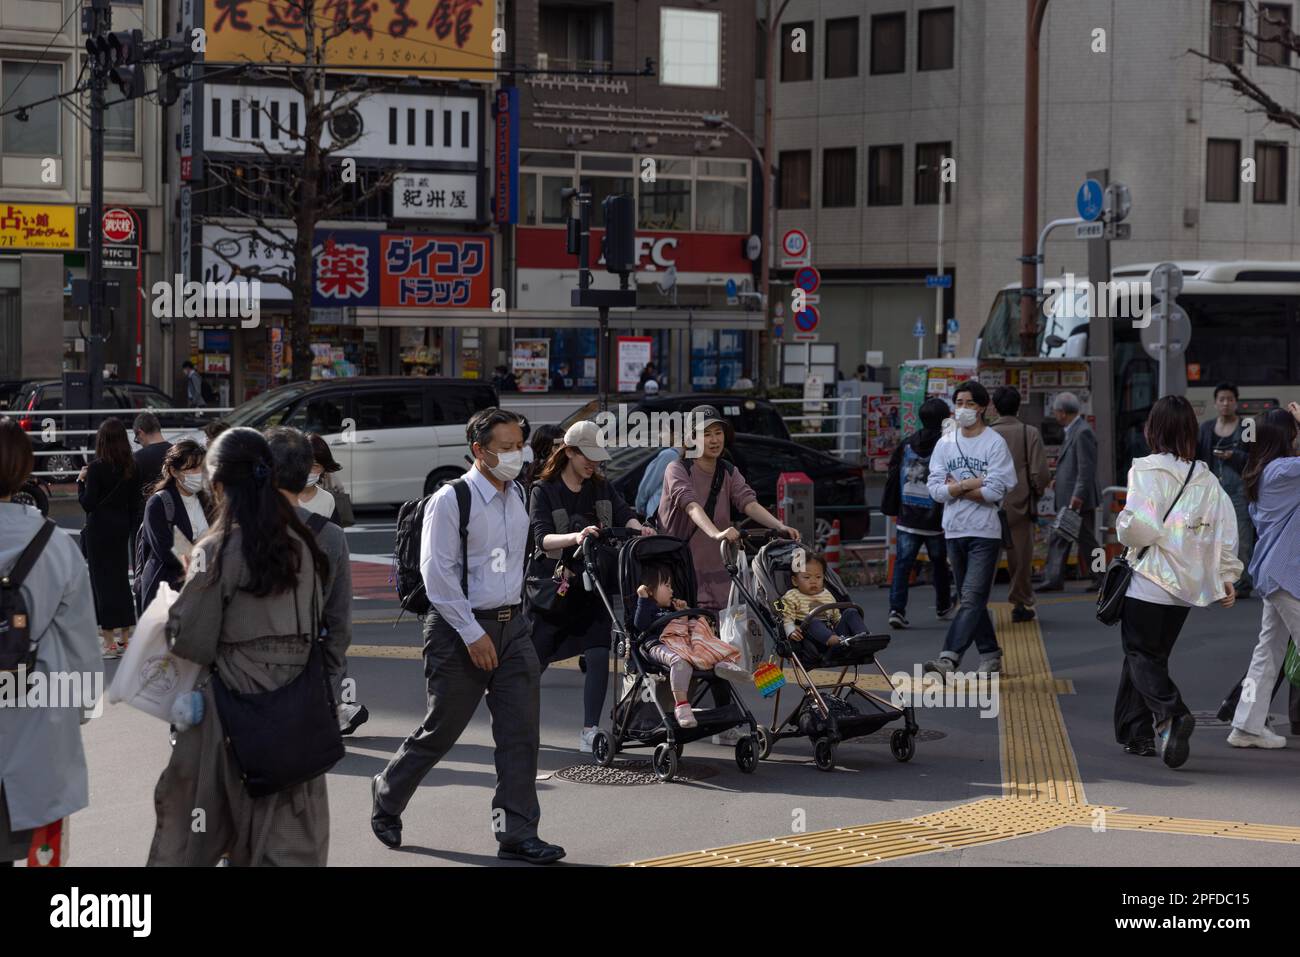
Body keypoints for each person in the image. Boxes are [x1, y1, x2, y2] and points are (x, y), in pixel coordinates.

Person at [371, 408, 565, 864]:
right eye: (506, 447)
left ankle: (515, 831)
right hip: (458, 627)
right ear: (479, 451)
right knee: (443, 729)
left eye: (521, 445)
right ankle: (388, 792)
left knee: (520, 734)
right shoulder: (451, 499)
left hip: (512, 627)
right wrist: (473, 632)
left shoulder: (518, 492)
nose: (518, 455)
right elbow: (436, 574)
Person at [148, 427, 335, 866]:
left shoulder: (216, 547)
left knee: (196, 827)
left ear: (219, 485)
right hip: (297, 709)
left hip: (232, 711)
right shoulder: (303, 545)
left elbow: (191, 637)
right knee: (285, 835)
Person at [1111, 395, 1241, 768]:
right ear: (1188, 431)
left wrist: (1122, 525)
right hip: (1185, 590)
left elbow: (1141, 527)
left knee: (1140, 655)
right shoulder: (1206, 478)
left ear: (1153, 429)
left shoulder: (1146, 470)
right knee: (1150, 657)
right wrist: (1226, 575)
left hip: (1150, 580)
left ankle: (1173, 713)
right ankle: (1136, 734)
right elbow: (1225, 533)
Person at [657, 405, 799, 742]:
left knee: (726, 643)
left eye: (718, 432)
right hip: (681, 572)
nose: (714, 439)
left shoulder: (727, 470)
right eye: (706, 433)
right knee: (693, 646)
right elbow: (690, 505)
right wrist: (717, 533)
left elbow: (747, 502)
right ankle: (678, 709)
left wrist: (779, 526)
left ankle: (726, 720)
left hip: (720, 570)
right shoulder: (677, 469)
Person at [0, 418, 102, 867]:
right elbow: (82, 643)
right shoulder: (55, 545)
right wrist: (80, 708)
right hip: (38, 721)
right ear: (24, 470)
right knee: (40, 854)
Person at [528, 420, 652, 751]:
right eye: (587, 456)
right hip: (554, 588)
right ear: (569, 451)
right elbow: (542, 537)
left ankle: (590, 730)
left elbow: (625, 514)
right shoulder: (544, 489)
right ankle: (516, 722)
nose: (593, 463)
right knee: (534, 661)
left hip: (592, 584)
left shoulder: (601, 486)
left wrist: (640, 529)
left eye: (597, 458)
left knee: (598, 654)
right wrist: (576, 536)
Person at [265, 427, 367, 737]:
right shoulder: (330, 536)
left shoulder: (228, 531)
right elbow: (340, 619)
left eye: (318, 467)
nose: (314, 472)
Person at [923, 381, 1017, 676]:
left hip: (985, 531)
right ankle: (990, 654)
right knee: (969, 599)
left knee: (973, 597)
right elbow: (935, 489)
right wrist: (971, 483)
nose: (963, 409)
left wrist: (955, 487)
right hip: (954, 529)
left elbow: (995, 491)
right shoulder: (946, 442)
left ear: (982, 407)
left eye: (969, 404)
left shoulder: (994, 443)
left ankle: (948, 658)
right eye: (959, 403)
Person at [1224, 404, 1300, 748]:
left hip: (1275, 576)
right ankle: (1245, 727)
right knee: (1268, 652)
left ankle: (1246, 727)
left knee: (1268, 652)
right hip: (1285, 576)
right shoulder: (1283, 471)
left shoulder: (1263, 469)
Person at [634, 563, 747, 728]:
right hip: (660, 644)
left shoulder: (671, 610)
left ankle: (723, 663)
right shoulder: (649, 609)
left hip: (684, 643)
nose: (672, 590)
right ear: (650, 590)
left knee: (710, 648)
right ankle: (681, 706)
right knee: (680, 662)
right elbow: (640, 624)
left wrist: (685, 612)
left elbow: (685, 630)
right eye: (667, 585)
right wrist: (643, 599)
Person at [883, 397, 955, 629]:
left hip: (907, 516)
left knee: (903, 564)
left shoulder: (907, 444)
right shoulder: (948, 445)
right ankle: (943, 605)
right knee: (939, 564)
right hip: (936, 518)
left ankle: (896, 609)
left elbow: (893, 472)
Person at [78, 417, 142, 657]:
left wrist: (80, 482)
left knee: (101, 584)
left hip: (99, 531)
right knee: (119, 583)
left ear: (102, 441)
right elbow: (134, 503)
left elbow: (88, 503)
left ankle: (109, 643)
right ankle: (125, 639)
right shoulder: (132, 467)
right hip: (121, 529)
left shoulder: (96, 468)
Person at [991, 386, 1052, 622]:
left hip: (989, 504)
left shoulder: (986, 433)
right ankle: (1019, 603)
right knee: (1021, 559)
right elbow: (1041, 474)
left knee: (986, 559)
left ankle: (975, 604)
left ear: (994, 407)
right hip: (1021, 504)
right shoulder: (1030, 432)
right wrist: (1035, 489)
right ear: (1018, 406)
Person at [1037, 392, 1103, 592]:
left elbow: (1086, 469)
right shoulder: (1075, 430)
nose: (1055, 415)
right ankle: (1056, 578)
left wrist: (1077, 497)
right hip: (1073, 497)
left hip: (1077, 500)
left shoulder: (1082, 432)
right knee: (1069, 538)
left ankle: (1100, 577)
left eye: (1056, 412)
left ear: (1063, 412)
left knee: (1085, 540)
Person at [135, 439, 212, 611]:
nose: (198, 473)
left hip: (200, 592)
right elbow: (167, 549)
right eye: (192, 468)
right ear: (174, 471)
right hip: (167, 592)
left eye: (201, 467)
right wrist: (203, 550)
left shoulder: (207, 501)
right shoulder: (159, 503)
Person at [1197, 383, 1254, 599]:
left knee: (1242, 535)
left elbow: (1254, 458)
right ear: (1215, 402)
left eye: (1230, 399)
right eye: (1221, 399)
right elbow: (1199, 457)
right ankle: (1217, 580)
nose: (1225, 403)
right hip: (1212, 490)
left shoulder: (1247, 426)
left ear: (1236, 402)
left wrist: (1234, 456)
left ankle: (1242, 583)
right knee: (1212, 535)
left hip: (1239, 488)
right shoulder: (1206, 428)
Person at [779, 553, 869, 659]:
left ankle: (863, 637)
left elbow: (836, 618)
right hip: (812, 641)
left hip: (834, 634)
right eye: (807, 577)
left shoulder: (827, 594)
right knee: (813, 621)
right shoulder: (792, 595)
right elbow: (787, 618)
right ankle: (839, 641)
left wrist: (841, 625)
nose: (813, 581)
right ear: (795, 580)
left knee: (851, 612)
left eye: (818, 577)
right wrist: (791, 631)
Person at [635, 420, 681, 520]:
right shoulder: (689, 456)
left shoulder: (669, 455)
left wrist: (639, 508)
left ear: (675, 434)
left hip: (658, 515)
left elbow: (647, 486)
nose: (660, 435)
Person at [299, 433, 341, 525]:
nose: (308, 470)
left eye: (315, 465)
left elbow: (335, 535)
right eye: (304, 463)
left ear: (324, 468)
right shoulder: (283, 496)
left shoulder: (328, 500)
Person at [132, 411, 171, 501]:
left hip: (146, 510)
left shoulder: (137, 458)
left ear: (140, 432)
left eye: (137, 439)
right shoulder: (178, 452)